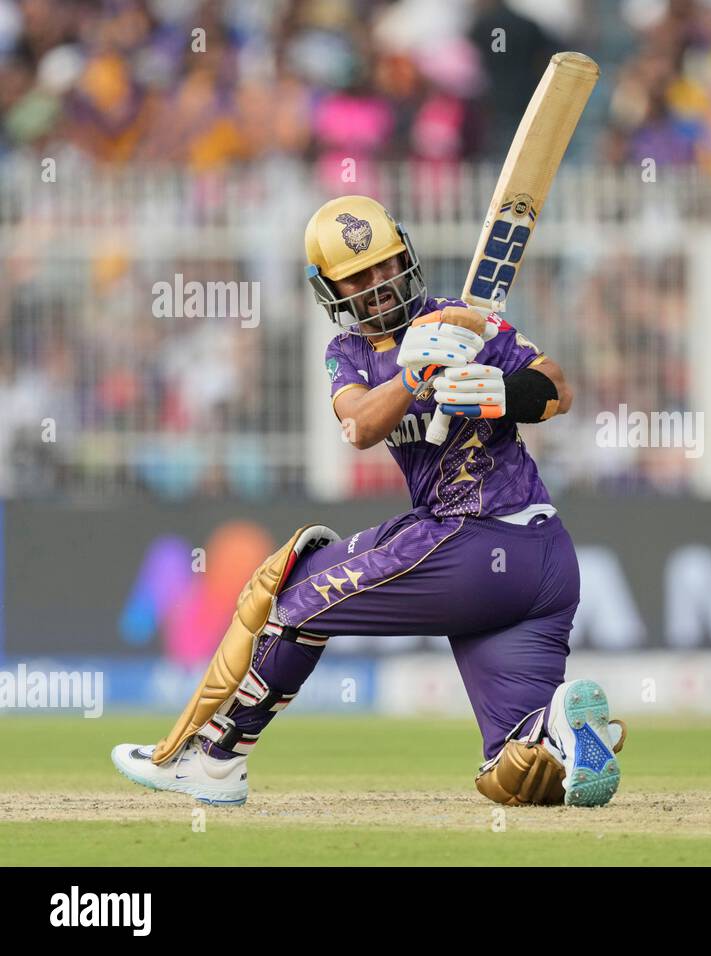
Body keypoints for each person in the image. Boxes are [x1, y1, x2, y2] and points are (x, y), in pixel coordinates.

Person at [112, 196, 624, 808]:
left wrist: (496, 391)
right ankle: (565, 733)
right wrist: (414, 378)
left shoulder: (464, 321)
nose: (378, 285)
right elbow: (358, 426)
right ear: (330, 289)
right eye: (358, 277)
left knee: (298, 597)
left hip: (481, 536)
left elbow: (557, 390)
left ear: (406, 257)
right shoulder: (348, 353)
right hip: (536, 566)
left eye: (386, 266)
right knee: (516, 770)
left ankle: (217, 762)